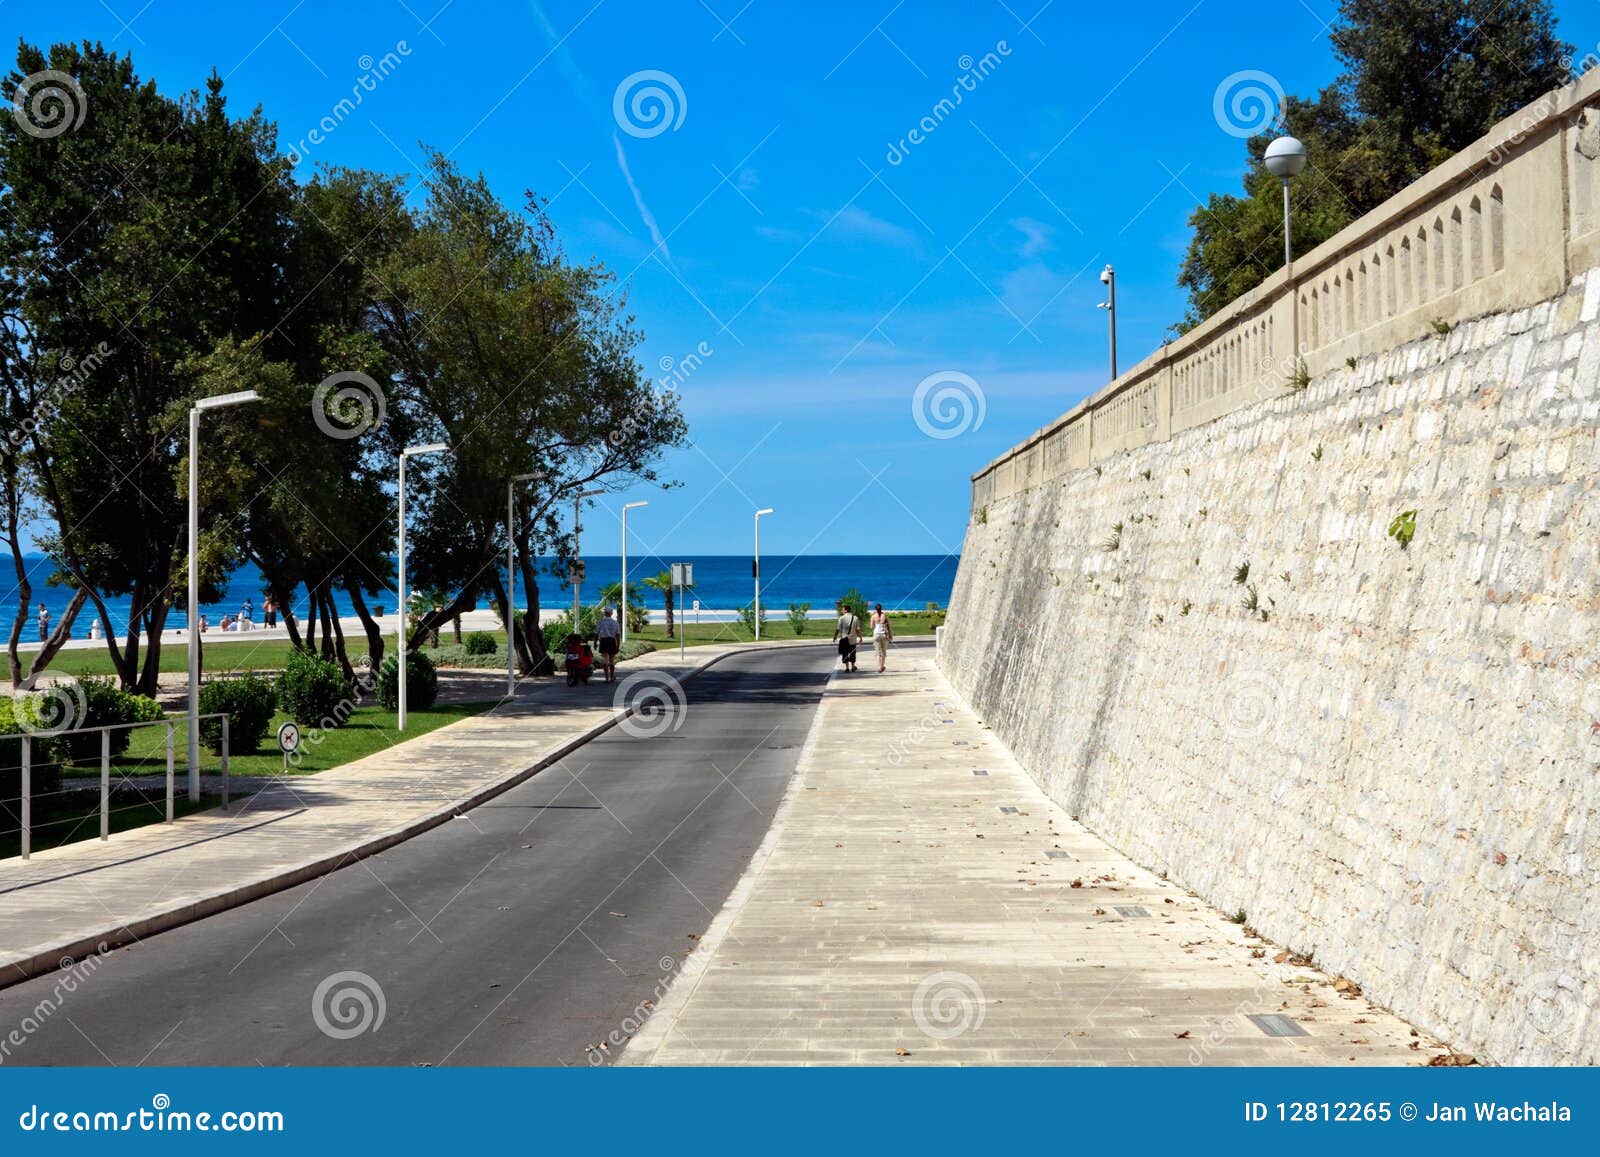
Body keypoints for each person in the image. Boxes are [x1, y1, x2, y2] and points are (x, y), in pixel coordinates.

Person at [595, 606, 622, 683]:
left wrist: (595, 642)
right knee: (612, 660)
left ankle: (607, 678)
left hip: (603, 641)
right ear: (611, 613)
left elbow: (596, 633)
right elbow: (618, 635)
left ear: (605, 613)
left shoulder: (601, 622)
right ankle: (612, 676)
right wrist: (618, 645)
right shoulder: (615, 622)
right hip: (612, 641)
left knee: (605, 660)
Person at [833, 602, 861, 673]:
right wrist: (860, 637)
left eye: (843, 610)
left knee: (845, 653)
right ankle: (853, 666)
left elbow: (838, 629)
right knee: (852, 653)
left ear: (846, 610)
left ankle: (847, 668)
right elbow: (858, 629)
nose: (842, 611)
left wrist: (835, 637)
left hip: (844, 639)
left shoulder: (841, 618)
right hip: (853, 639)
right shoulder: (855, 618)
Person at [869, 603, 893, 673]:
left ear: (875, 609)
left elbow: (871, 627)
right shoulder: (884, 616)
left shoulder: (873, 616)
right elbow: (889, 626)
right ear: (881, 608)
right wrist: (891, 635)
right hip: (884, 635)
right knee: (884, 651)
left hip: (876, 635)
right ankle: (882, 666)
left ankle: (879, 667)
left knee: (878, 652)